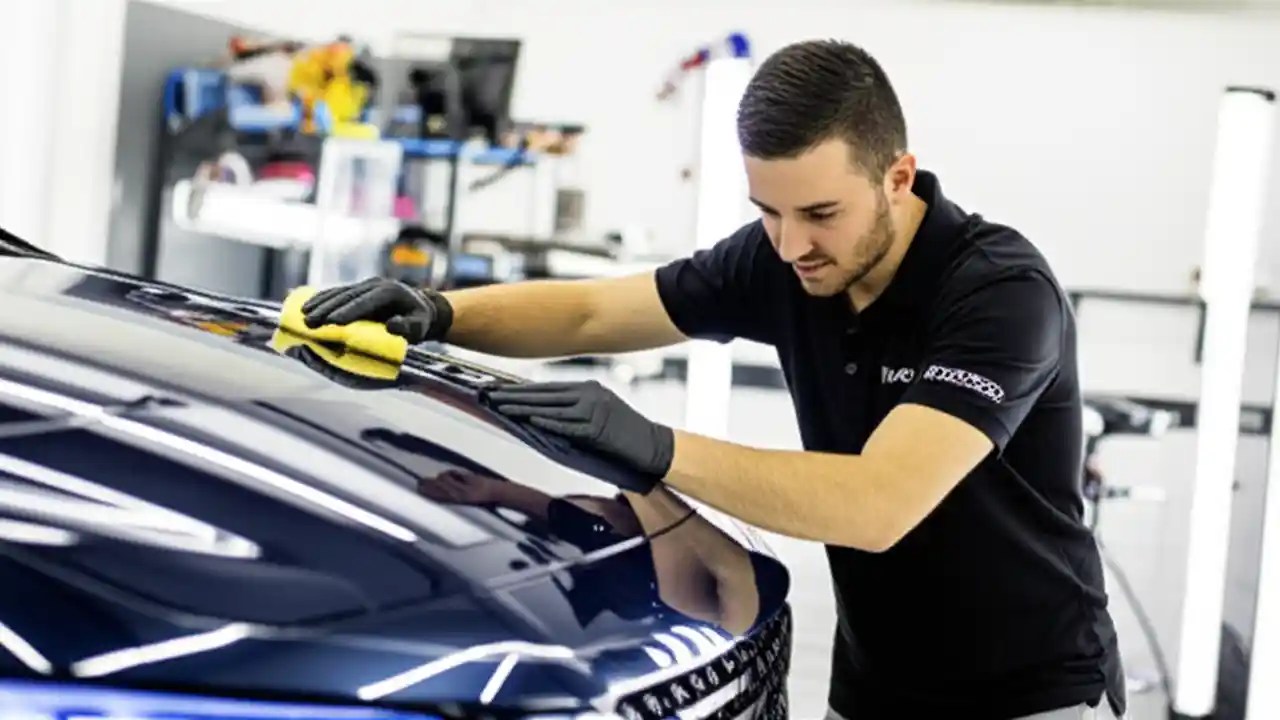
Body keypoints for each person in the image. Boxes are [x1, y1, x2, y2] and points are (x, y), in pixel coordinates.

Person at [302, 39, 1125, 720]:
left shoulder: (998, 291)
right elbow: (594, 314)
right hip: (874, 687)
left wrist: (652, 446)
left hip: (1032, 695)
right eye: (768, 210)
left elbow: (878, 505)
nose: (791, 242)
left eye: (820, 215)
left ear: (898, 178)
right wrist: (438, 311)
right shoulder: (782, 258)